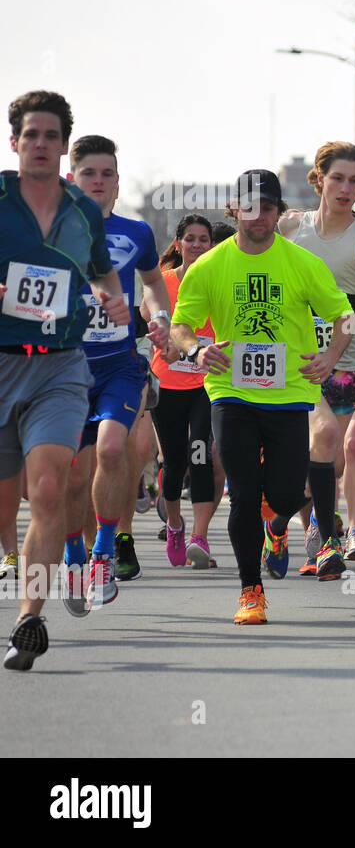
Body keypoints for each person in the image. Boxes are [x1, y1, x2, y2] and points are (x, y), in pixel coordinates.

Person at [170, 170, 354, 624]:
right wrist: (196, 348)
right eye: (248, 207)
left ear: (277, 212)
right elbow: (180, 326)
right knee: (245, 493)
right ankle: (251, 591)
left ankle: (278, 525)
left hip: (289, 393)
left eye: (267, 208)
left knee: (289, 493)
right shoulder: (209, 266)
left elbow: (344, 317)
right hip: (231, 392)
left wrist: (330, 358)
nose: (258, 216)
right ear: (234, 209)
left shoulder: (302, 264)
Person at [2, 91, 127, 670]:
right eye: (31, 135)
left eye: (52, 136)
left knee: (49, 487)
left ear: (62, 146)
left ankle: (30, 617)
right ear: (14, 142)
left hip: (59, 363)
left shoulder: (81, 209)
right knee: (7, 504)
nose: (41, 145)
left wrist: (113, 298)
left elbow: (102, 269)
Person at [62, 136, 171, 610]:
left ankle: (104, 552)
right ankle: (72, 554)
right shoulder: (49, 231)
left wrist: (160, 317)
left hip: (120, 367)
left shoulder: (138, 233)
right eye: (90, 173)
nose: (99, 182)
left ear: (117, 182)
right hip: (62, 369)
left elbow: (151, 285)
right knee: (70, 473)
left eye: (107, 174)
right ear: (72, 178)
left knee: (111, 448)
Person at [276, 142, 355, 578]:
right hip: (296, 362)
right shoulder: (289, 228)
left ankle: (289, 527)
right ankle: (327, 539)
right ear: (319, 178)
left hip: (349, 363)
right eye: (338, 178)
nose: (346, 189)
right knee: (323, 438)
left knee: (333, 460)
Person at [148, 214, 218, 569]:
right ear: (178, 244)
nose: (196, 245)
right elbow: (154, 319)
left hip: (206, 385)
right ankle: (175, 524)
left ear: (211, 245)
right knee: (174, 462)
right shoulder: (163, 283)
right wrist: (167, 345)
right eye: (189, 238)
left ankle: (200, 537)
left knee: (200, 454)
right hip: (169, 382)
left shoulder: (218, 282)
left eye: (203, 239)